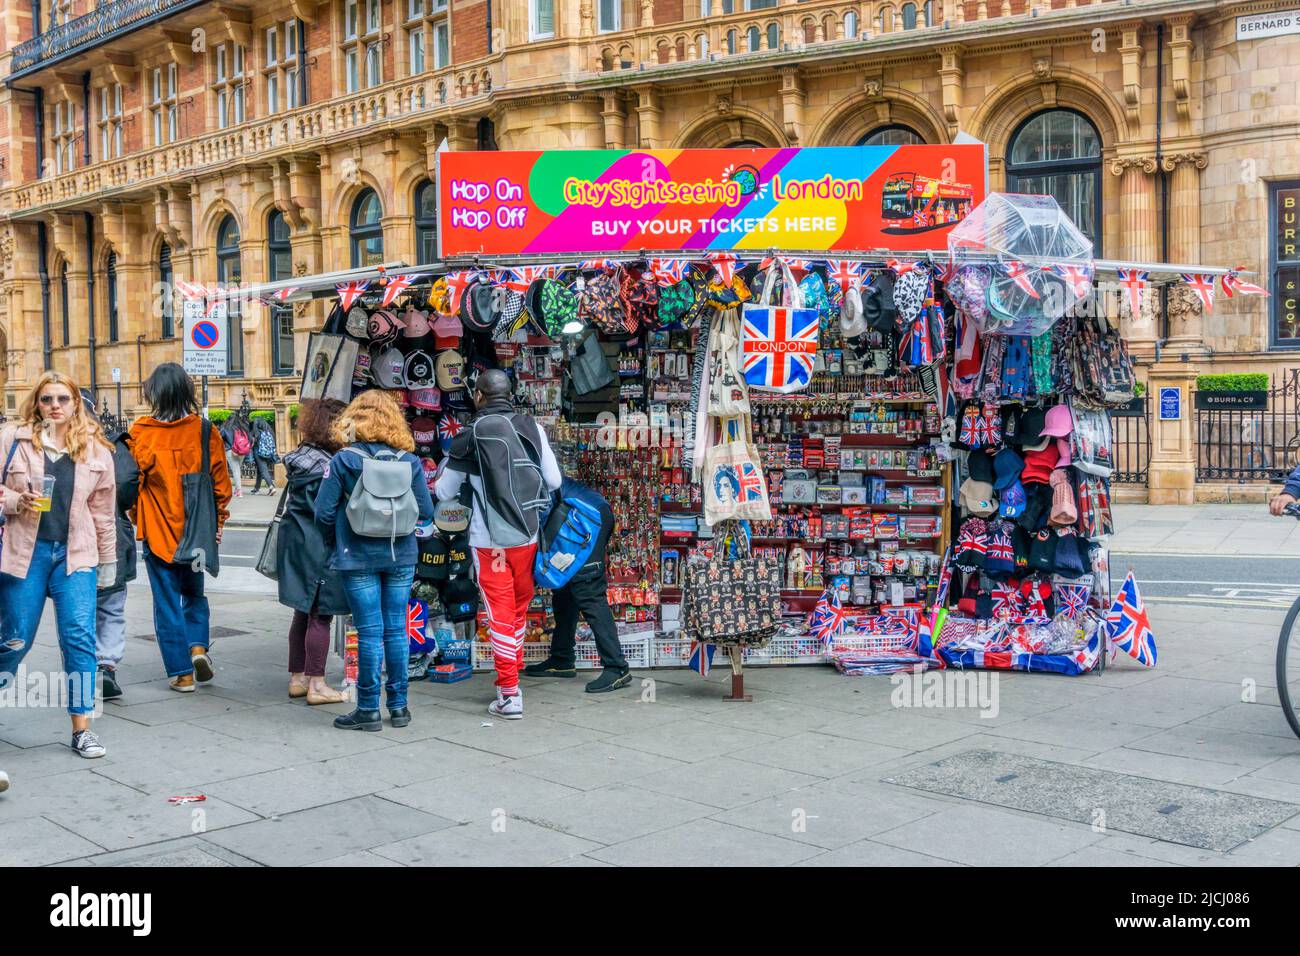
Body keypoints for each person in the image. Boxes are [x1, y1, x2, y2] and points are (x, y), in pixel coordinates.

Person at [0, 371, 117, 758]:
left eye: (62, 399)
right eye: (47, 399)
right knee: (14, 639)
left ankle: (82, 728)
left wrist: (108, 561)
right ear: (36, 402)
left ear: (75, 403)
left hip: (74, 555)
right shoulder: (12, 441)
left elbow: (103, 512)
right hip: (26, 553)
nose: (54, 406)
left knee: (79, 640)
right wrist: (16, 501)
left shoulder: (95, 449)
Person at [435, 368, 561, 720]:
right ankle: (511, 676)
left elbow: (444, 492)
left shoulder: (468, 435)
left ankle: (509, 692)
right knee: (517, 610)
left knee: (499, 613)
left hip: (488, 541)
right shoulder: (531, 428)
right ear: (511, 393)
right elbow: (553, 480)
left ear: (478, 396)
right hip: (527, 536)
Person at [314, 391, 433, 731]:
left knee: (369, 633)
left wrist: (337, 536)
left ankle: (367, 709)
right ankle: (399, 707)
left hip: (357, 554)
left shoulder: (344, 460)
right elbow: (425, 510)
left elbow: (322, 512)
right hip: (400, 554)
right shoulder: (409, 462)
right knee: (396, 630)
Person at [129, 363, 232, 692]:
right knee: (194, 594)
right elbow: (221, 486)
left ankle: (181, 674)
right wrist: (218, 523)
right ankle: (199, 647)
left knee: (166, 602)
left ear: (154, 393)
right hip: (198, 534)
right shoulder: (204, 431)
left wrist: (138, 518)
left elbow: (132, 486)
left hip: (160, 537)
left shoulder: (141, 433)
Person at [524, 477, 632, 693]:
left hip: (586, 517)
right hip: (582, 514)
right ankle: (562, 659)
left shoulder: (523, 473)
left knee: (588, 591)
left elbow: (541, 518)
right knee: (564, 591)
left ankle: (617, 667)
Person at [277, 398, 349, 705]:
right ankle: (317, 685)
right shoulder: (330, 466)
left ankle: (298, 677)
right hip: (319, 544)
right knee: (321, 614)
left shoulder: (299, 459)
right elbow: (329, 512)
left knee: (302, 613)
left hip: (295, 543)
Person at [92, 403, 140, 702]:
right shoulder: (113, 442)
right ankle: (106, 665)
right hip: (112, 533)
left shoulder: (51, 443)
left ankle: (82, 668)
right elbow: (126, 485)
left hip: (70, 540)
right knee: (111, 606)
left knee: (77, 609)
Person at [220, 409, 253, 499]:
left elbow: (219, 438)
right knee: (238, 469)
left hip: (231, 451)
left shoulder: (226, 427)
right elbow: (250, 439)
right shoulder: (243, 427)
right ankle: (237, 490)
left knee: (236, 470)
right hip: (242, 451)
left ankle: (239, 491)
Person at [250, 415, 279, 495]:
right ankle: (256, 488)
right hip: (269, 454)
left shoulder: (256, 432)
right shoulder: (269, 432)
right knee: (260, 470)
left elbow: (251, 442)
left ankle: (271, 487)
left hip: (259, 454)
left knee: (264, 470)